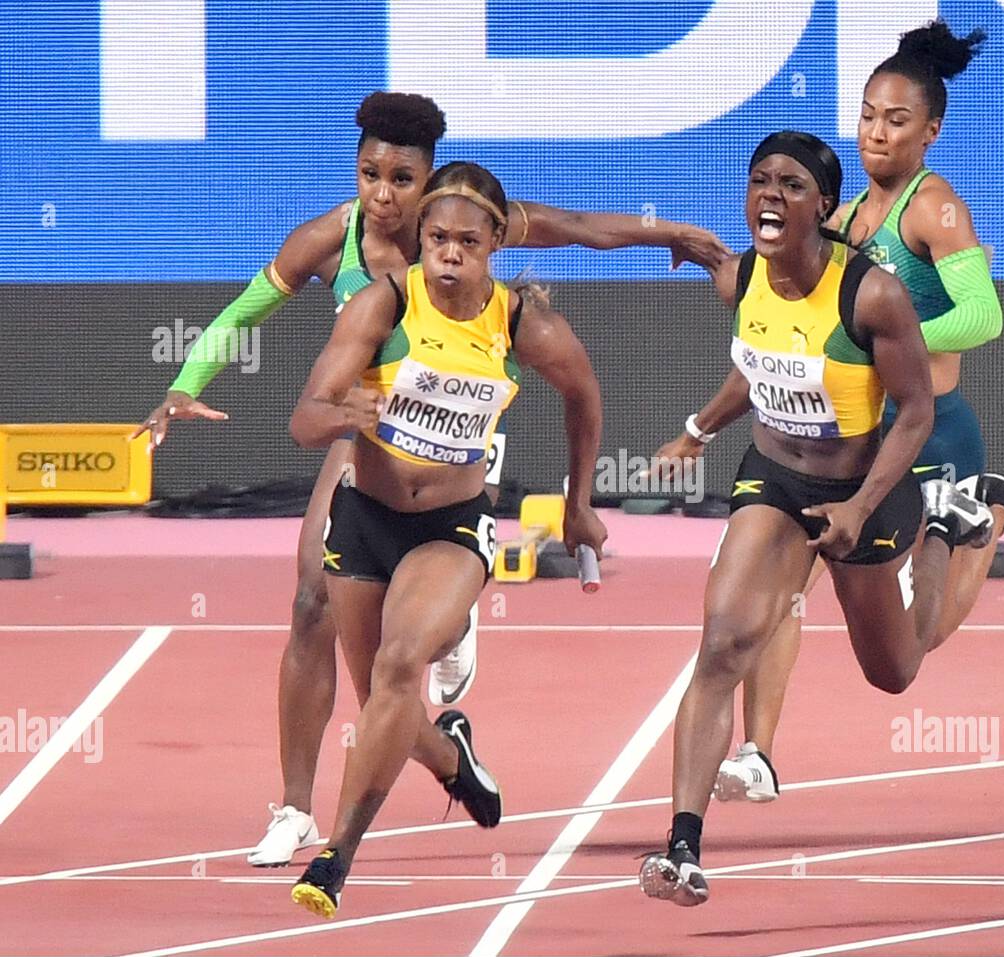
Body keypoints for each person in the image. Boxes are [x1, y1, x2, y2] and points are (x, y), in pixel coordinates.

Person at [133, 92, 729, 867]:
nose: (384, 194)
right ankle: (295, 807)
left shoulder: (462, 221)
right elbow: (244, 311)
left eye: (402, 179)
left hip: (457, 443)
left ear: (430, 183)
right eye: (370, 174)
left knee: (401, 638)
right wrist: (186, 382)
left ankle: (451, 605)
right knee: (312, 600)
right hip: (367, 427)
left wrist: (668, 234)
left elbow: (578, 230)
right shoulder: (329, 240)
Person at [654, 21, 1004, 805]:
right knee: (780, 579)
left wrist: (884, 337)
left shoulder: (934, 210)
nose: (876, 131)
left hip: (928, 431)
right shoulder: (846, 213)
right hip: (850, 436)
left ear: (931, 130)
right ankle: (759, 751)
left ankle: (984, 513)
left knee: (905, 653)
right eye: (867, 114)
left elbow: (986, 316)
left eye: (896, 120)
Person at [639, 130, 1001, 906]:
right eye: (760, 179)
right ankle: (682, 846)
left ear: (824, 207)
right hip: (772, 479)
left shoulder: (871, 295)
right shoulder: (740, 281)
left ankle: (948, 527)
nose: (771, 194)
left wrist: (863, 506)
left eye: (792, 185)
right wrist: (696, 432)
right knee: (723, 641)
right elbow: (758, 368)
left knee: (895, 671)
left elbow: (915, 411)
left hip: (863, 487)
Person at [289, 162, 606, 918]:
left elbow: (585, 395)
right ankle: (450, 756)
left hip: (451, 528)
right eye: (437, 239)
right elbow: (304, 420)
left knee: (401, 667)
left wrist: (578, 501)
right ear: (421, 241)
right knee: (383, 711)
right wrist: (348, 415)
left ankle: (337, 855)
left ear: (496, 241)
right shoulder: (380, 306)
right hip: (364, 521)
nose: (450, 255)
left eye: (468, 240)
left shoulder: (520, 321)